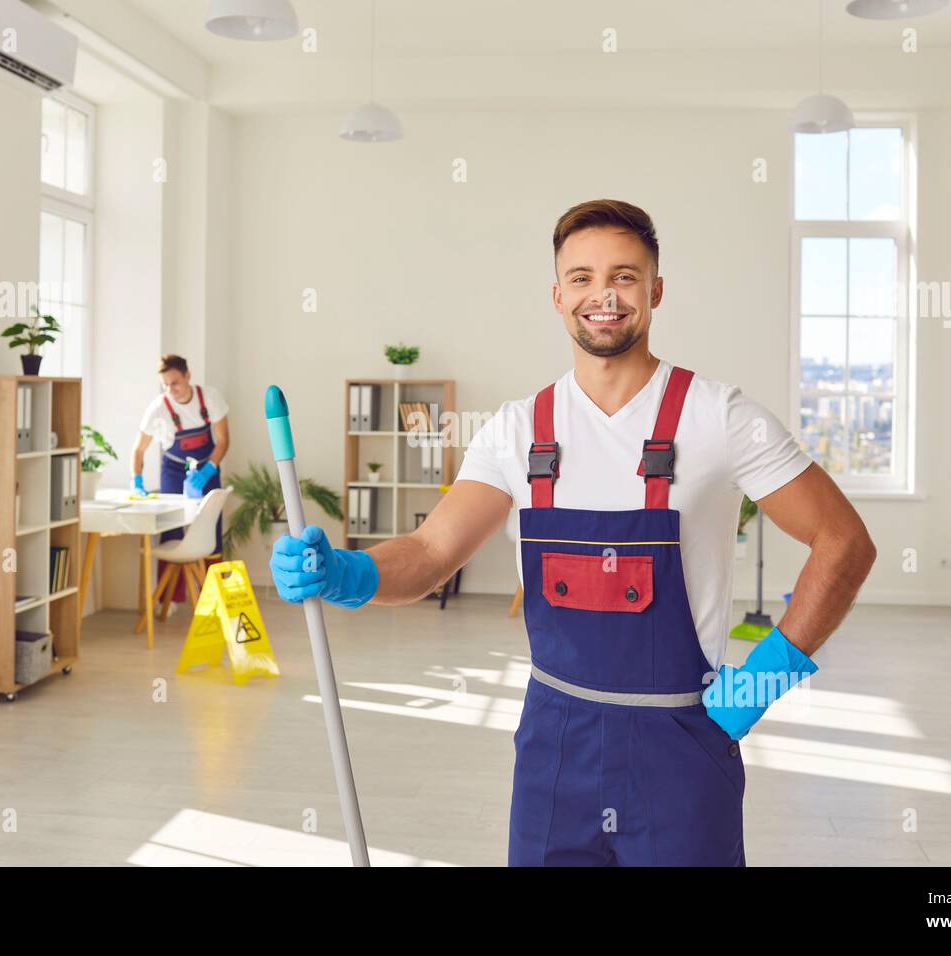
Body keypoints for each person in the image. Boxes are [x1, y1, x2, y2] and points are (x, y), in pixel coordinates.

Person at [270, 199, 876, 866]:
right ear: (558, 296)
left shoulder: (719, 417)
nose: (604, 296)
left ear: (656, 290)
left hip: (683, 743)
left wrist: (759, 684)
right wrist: (348, 574)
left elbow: (844, 540)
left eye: (624, 275)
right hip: (555, 746)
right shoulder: (517, 429)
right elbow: (430, 551)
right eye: (582, 278)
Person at [131, 354, 230, 603]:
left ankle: (214, 597)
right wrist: (137, 481)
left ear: (188, 376)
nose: (170, 389)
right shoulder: (158, 408)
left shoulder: (210, 398)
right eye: (165, 384)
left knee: (211, 527)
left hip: (207, 468)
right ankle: (171, 599)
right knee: (171, 528)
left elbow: (223, 440)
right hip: (174, 470)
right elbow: (139, 449)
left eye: (174, 382)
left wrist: (211, 468)